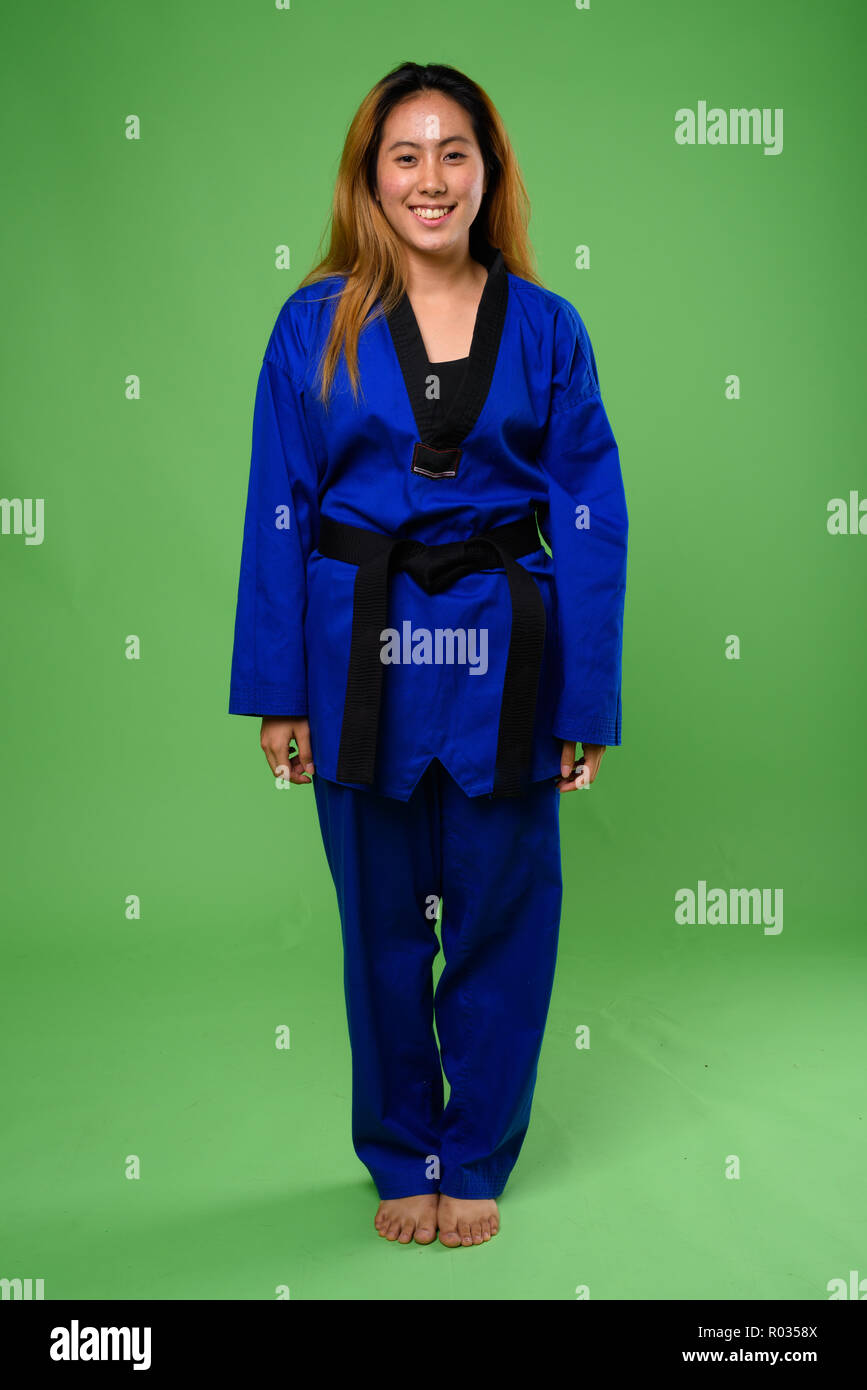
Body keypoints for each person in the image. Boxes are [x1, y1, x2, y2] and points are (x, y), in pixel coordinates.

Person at [228, 61, 628, 1249]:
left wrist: (584, 700)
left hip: (509, 647)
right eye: (405, 154)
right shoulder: (317, 324)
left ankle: (481, 1148)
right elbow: (278, 509)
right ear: (368, 177)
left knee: (505, 910)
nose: (432, 177)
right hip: (359, 654)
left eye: (456, 151)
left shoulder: (548, 328)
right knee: (382, 926)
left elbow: (594, 518)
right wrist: (278, 692)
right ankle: (406, 1151)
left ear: (488, 173)